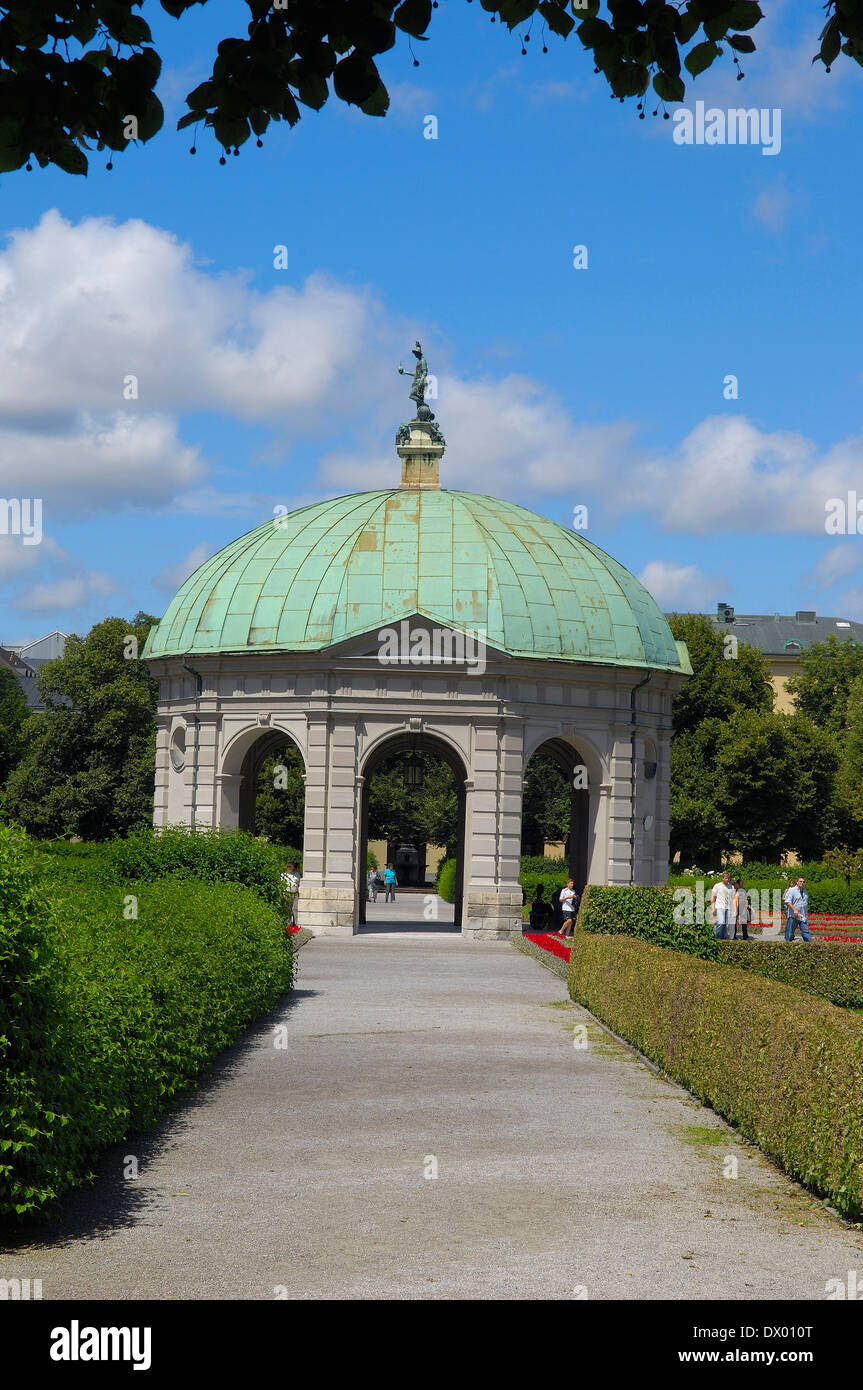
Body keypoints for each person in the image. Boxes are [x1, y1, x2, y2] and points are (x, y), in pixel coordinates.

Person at [785, 876, 811, 943]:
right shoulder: (792, 890)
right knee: (790, 933)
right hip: (794, 915)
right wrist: (794, 910)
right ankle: (787, 945)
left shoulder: (805, 891)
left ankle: (810, 946)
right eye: (800, 881)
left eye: (803, 882)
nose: (802, 883)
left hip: (802, 915)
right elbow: (788, 901)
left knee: (805, 932)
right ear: (797, 882)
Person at [710, 871, 734, 939]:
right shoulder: (717, 886)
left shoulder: (731, 887)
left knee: (725, 925)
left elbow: (733, 898)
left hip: (728, 907)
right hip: (720, 907)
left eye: (728, 878)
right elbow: (713, 897)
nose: (727, 879)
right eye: (726, 878)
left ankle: (723, 939)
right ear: (722, 878)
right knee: (721, 922)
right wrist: (713, 908)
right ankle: (716, 937)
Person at [282, 860, 300, 927]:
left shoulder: (297, 875)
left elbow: (299, 884)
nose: (288, 867)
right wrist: (283, 893)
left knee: (294, 909)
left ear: (293, 867)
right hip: (287, 893)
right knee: (288, 909)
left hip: (295, 894)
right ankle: (288, 923)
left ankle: (295, 923)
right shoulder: (284, 875)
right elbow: (282, 884)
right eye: (288, 866)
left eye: (290, 866)